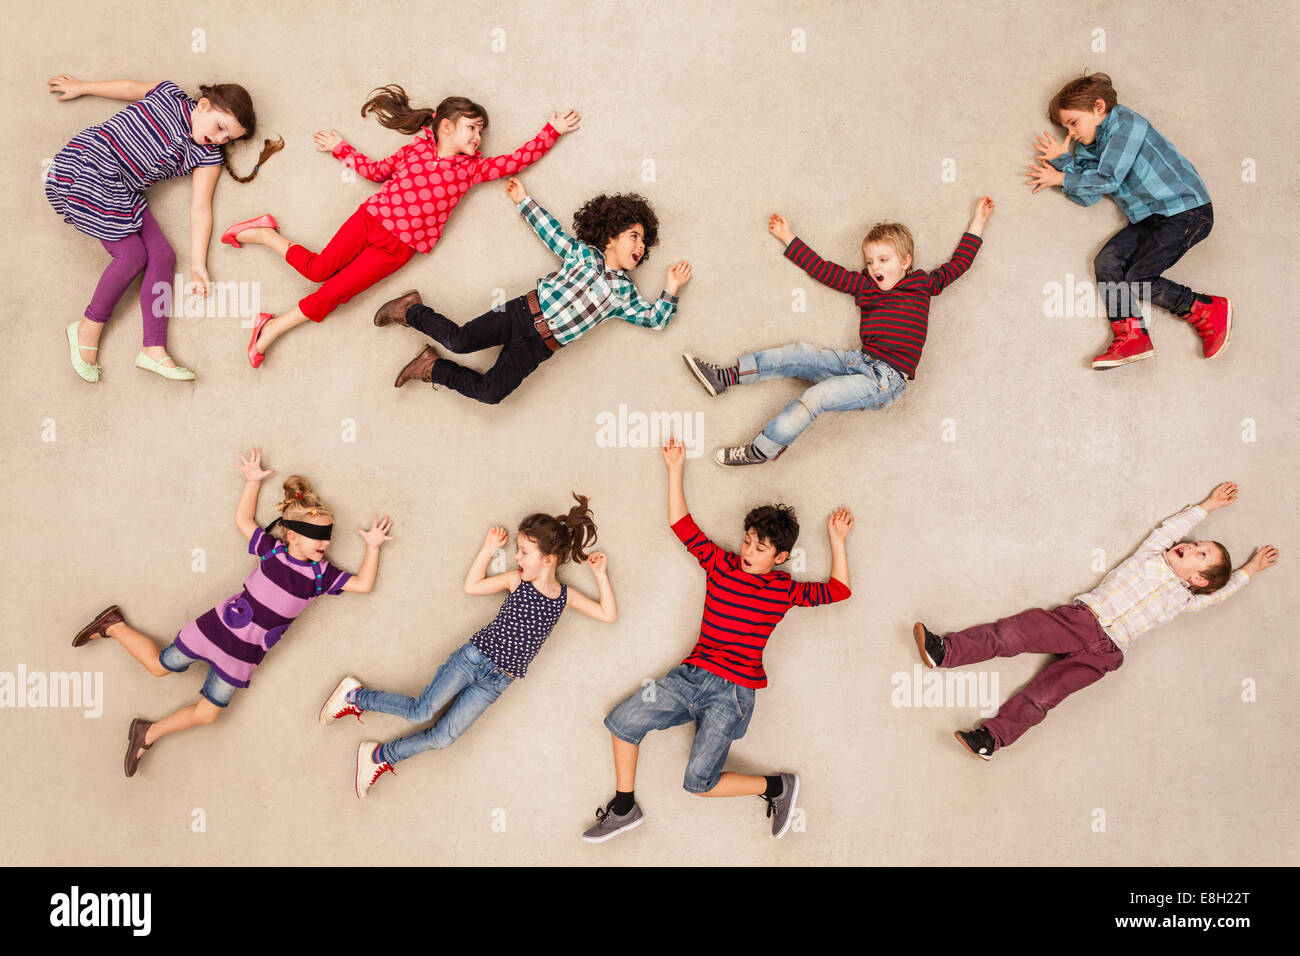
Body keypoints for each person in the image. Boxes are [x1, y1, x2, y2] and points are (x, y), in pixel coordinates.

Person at [582, 440, 853, 842]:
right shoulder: (721, 564)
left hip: (734, 693)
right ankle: (625, 807)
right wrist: (675, 469)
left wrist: (837, 541)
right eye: (747, 540)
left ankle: (776, 786)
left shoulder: (784, 590)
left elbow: (840, 590)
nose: (748, 550)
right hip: (690, 677)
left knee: (699, 783)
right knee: (621, 722)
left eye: (760, 548)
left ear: (779, 557)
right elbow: (681, 524)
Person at [71, 449, 392, 777]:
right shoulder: (273, 552)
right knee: (159, 667)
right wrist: (251, 482)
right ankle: (113, 625)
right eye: (317, 537)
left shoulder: (322, 576)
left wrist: (372, 547)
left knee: (208, 714)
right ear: (292, 535)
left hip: (244, 654)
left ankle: (146, 733)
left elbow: (364, 584)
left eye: (328, 536)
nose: (324, 544)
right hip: (218, 630)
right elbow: (243, 521)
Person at [913, 482, 1279, 758]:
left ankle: (990, 739)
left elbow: (1217, 596)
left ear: (1198, 580)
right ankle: (946, 651)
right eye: (1198, 543)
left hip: (1106, 655)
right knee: (1012, 633)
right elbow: (1167, 530)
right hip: (1084, 620)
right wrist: (1208, 506)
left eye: (1200, 554)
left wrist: (1249, 570)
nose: (1192, 545)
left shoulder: (1184, 599)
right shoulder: (1153, 555)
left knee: (1044, 697)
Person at [222, 85, 578, 367]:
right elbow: (376, 172)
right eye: (472, 128)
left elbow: (518, 160)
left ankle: (269, 328)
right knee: (317, 270)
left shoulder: (472, 169)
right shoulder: (414, 151)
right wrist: (340, 148)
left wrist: (552, 131)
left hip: (398, 250)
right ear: (446, 125)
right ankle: (267, 234)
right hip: (370, 220)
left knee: (333, 295)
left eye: (481, 132)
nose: (477, 138)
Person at [321, 495, 617, 799]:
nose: (517, 557)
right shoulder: (518, 581)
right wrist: (488, 549)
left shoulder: (564, 597)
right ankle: (355, 696)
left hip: (498, 682)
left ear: (548, 559)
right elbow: (472, 586)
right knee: (421, 711)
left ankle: (378, 756)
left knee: (444, 738)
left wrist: (600, 576)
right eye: (518, 551)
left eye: (524, 552)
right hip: (473, 660)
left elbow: (607, 614)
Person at [683, 198, 991, 464]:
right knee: (796, 354)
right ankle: (725, 378)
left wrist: (978, 221)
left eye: (884, 260)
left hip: (885, 381)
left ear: (905, 262)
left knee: (816, 397)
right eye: (870, 262)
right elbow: (825, 270)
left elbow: (959, 265)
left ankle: (763, 449)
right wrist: (789, 238)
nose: (875, 268)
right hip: (858, 360)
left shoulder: (922, 284)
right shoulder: (865, 286)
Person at [45, 75, 282, 382]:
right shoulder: (169, 95)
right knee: (132, 257)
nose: (221, 140)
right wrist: (83, 87)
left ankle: (153, 348)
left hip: (123, 190)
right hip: (89, 165)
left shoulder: (208, 156)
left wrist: (199, 264)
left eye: (229, 139)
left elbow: (200, 207)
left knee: (163, 256)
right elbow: (129, 89)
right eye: (220, 127)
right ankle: (88, 326)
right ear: (203, 106)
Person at [383, 178, 690, 403]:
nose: (640, 245)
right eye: (634, 236)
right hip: (520, 313)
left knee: (491, 393)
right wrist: (523, 200)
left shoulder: (625, 294)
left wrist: (671, 289)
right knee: (459, 340)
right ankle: (411, 309)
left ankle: (432, 366)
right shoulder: (583, 255)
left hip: (539, 348)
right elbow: (552, 233)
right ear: (610, 238)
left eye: (644, 243)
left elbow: (655, 319)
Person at [1027, 72, 1231, 368]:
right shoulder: (1087, 147)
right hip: (1150, 219)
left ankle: (1206, 309)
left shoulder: (1127, 123)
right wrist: (1063, 161)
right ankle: (1132, 334)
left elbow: (1108, 179)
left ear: (1098, 107)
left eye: (1073, 123)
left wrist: (1061, 176)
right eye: (1064, 127)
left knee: (1137, 277)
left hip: (1185, 209)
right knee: (1107, 262)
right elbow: (1088, 196)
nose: (1070, 134)